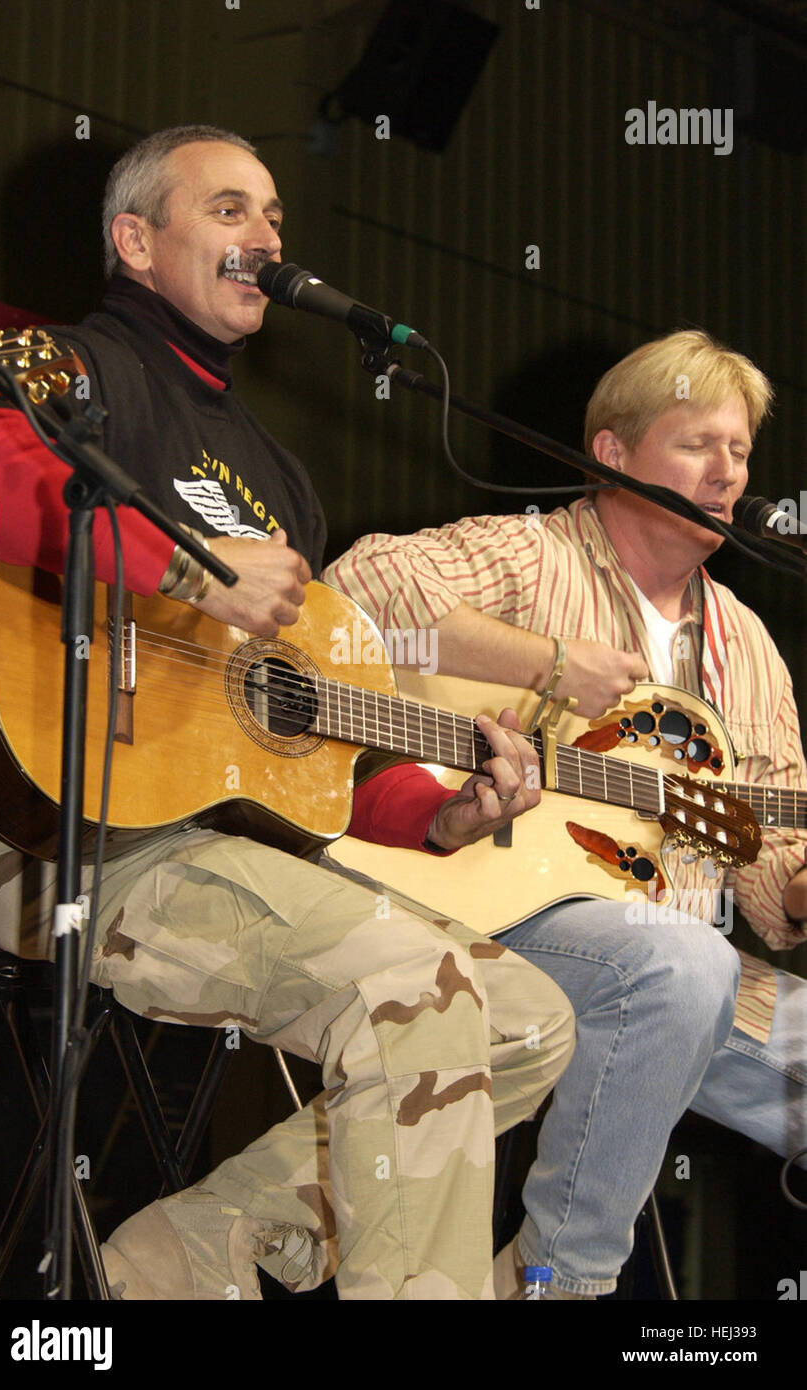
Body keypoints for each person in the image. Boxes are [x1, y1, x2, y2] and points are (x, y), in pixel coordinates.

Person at [0, 125, 575, 1301]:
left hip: (210, 841)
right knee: (418, 987)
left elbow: (309, 739)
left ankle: (187, 1253)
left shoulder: (280, 477)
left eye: (276, 217)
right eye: (231, 210)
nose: (269, 239)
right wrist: (188, 568)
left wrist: (445, 819)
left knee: (530, 1017)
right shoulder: (71, 367)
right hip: (45, 840)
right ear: (135, 241)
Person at [325, 329, 807, 1299]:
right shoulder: (531, 553)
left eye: (742, 451)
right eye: (697, 444)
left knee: (696, 964)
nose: (726, 473)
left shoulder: (747, 644)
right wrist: (545, 666)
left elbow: (770, 873)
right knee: (681, 964)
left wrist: (796, 882)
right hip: (493, 924)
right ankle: (558, 1284)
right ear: (612, 453)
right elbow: (357, 593)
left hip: (697, 969)